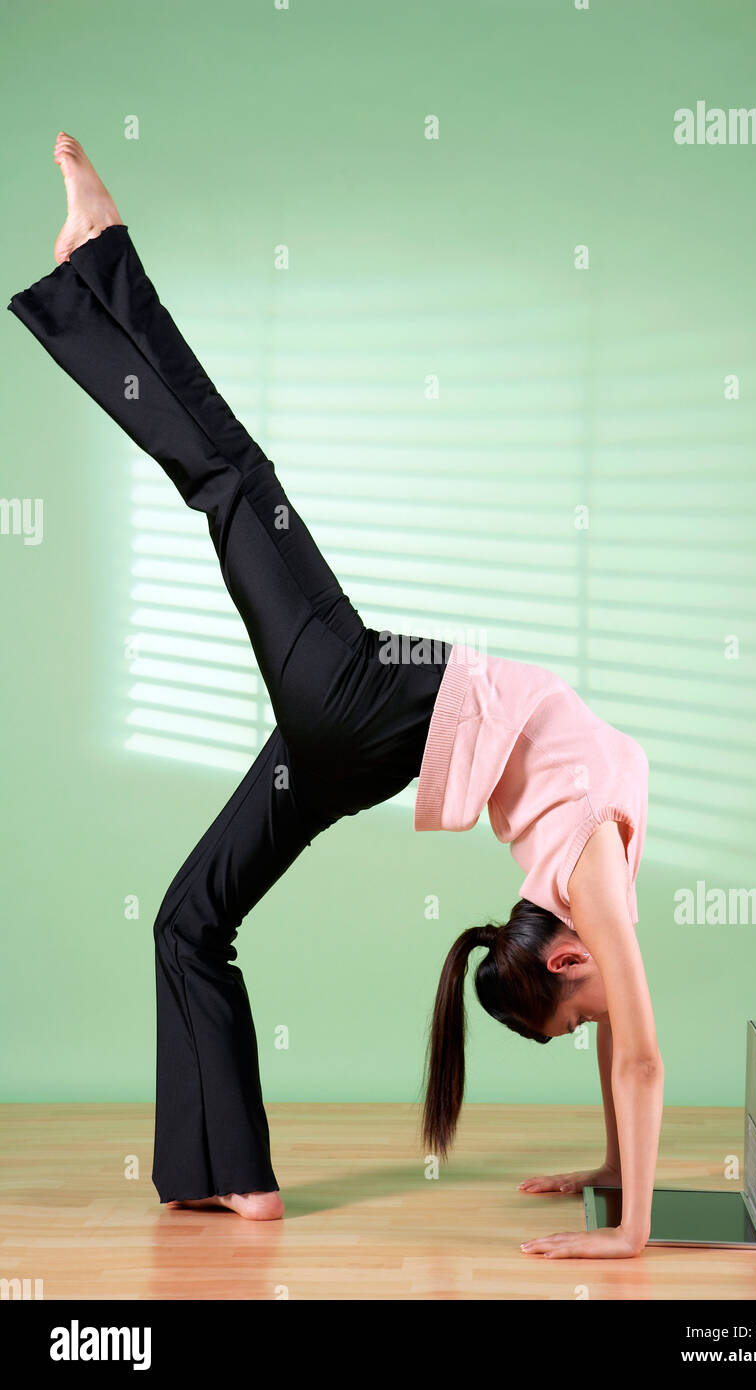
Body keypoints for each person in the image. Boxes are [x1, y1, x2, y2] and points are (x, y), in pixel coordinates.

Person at [8, 134, 663, 1258]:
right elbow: (631, 1050)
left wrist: (628, 1229)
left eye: (579, 1012)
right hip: (357, 734)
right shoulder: (587, 881)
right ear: (563, 959)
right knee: (188, 921)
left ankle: (102, 254)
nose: (602, 1020)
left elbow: (635, 1052)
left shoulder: (585, 881)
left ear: (558, 955)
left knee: (233, 482)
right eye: (582, 1017)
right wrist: (619, 1183)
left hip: (361, 703)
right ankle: (232, 1179)